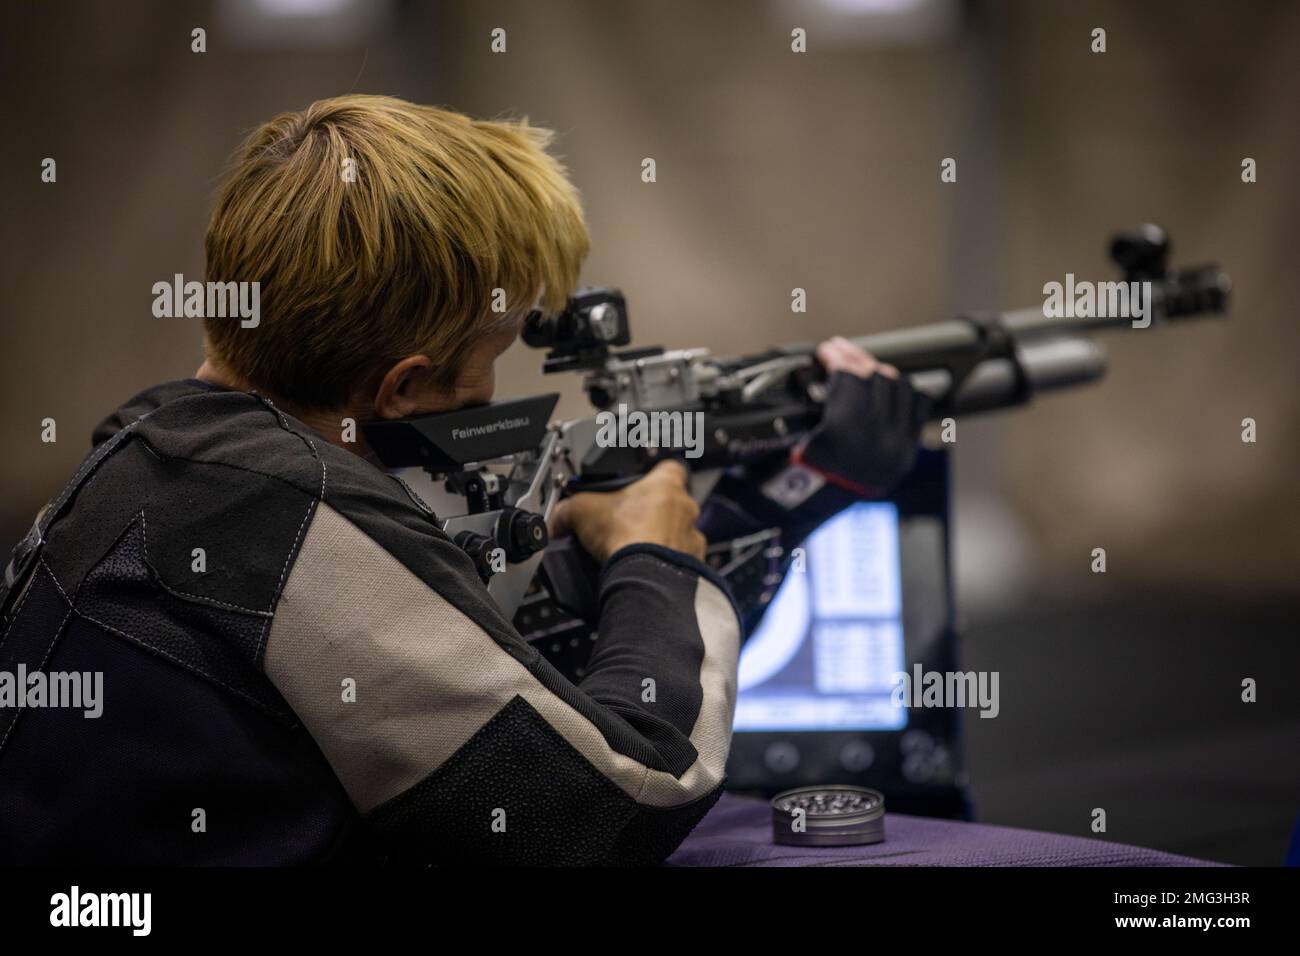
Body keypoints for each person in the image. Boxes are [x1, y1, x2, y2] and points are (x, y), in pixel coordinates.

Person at [0, 95, 924, 864]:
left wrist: (787, 500)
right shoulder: (296, 519)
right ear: (403, 387)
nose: (492, 393)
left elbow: (495, 709)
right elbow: (625, 798)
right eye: (492, 357)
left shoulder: (151, 456)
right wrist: (656, 558)